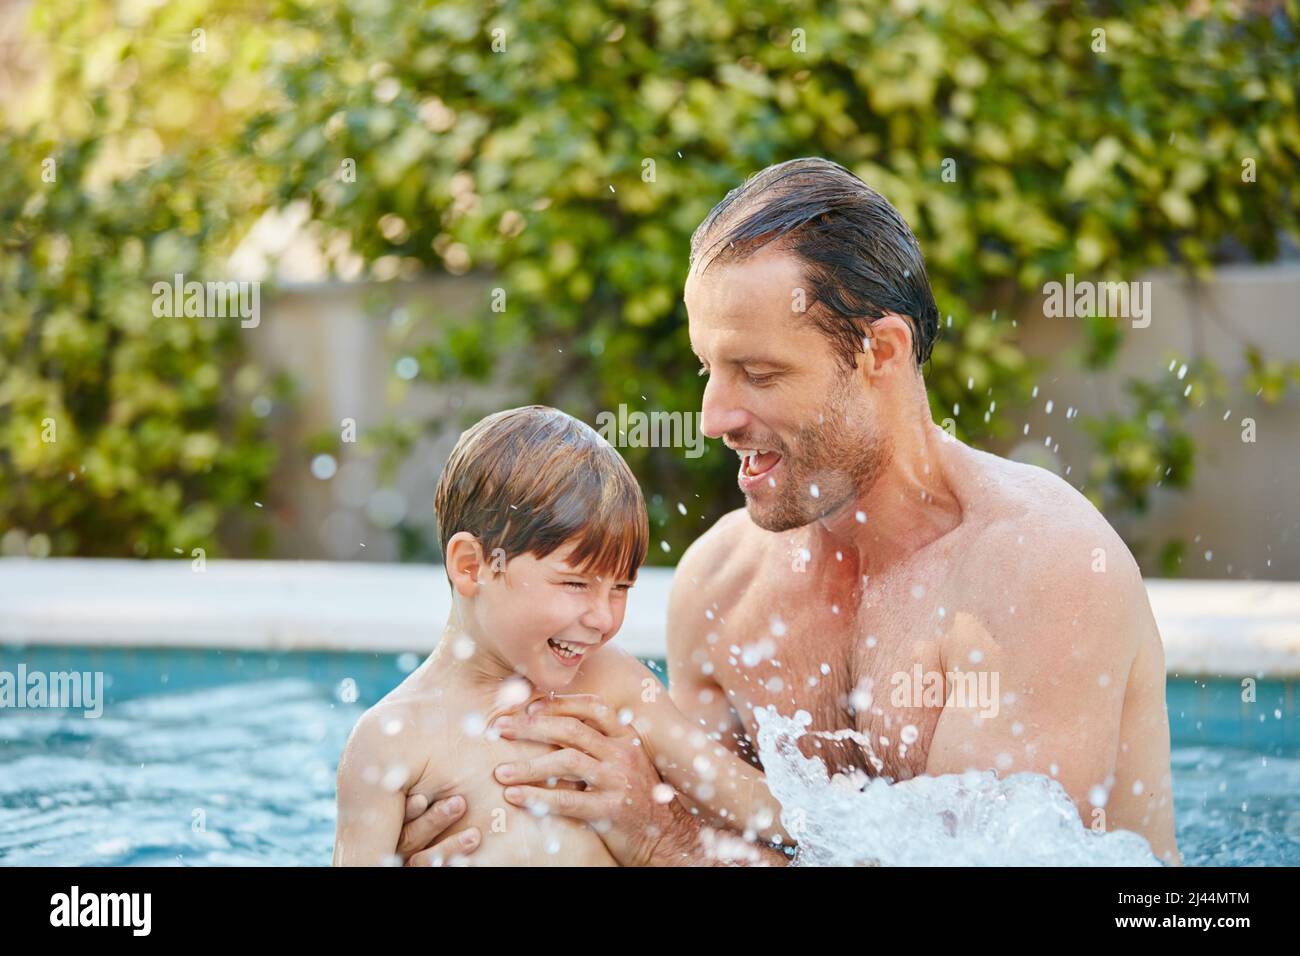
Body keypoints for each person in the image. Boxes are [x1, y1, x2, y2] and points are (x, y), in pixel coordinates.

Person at [398, 158, 1182, 866]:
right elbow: (685, 830)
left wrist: (662, 843)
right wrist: (479, 814)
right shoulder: (724, 586)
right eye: (710, 369)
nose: (713, 417)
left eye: (758, 372)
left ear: (881, 352)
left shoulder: (1040, 571)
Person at [333, 405, 788, 865]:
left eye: (621, 588)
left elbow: (757, 805)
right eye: (575, 583)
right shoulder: (390, 741)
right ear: (472, 566)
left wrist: (851, 818)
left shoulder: (614, 684)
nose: (602, 619)